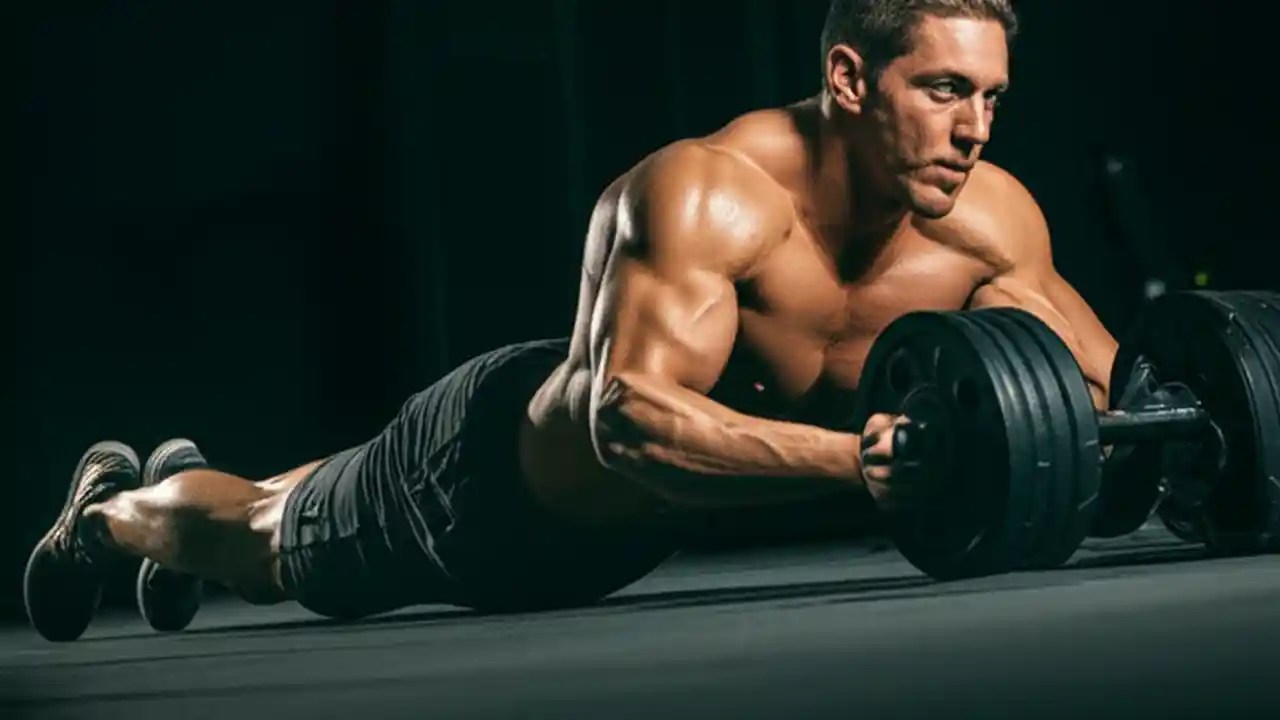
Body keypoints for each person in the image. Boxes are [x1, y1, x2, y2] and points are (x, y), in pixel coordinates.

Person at [24, 0, 1120, 642]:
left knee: (283, 496)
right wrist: (856, 462)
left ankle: (181, 484)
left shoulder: (985, 218)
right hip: (479, 494)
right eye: (942, 90)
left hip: (606, 527)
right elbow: (627, 424)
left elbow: (1111, 375)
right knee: (261, 541)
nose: (975, 127)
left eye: (990, 97)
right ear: (847, 76)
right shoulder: (707, 192)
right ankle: (114, 512)